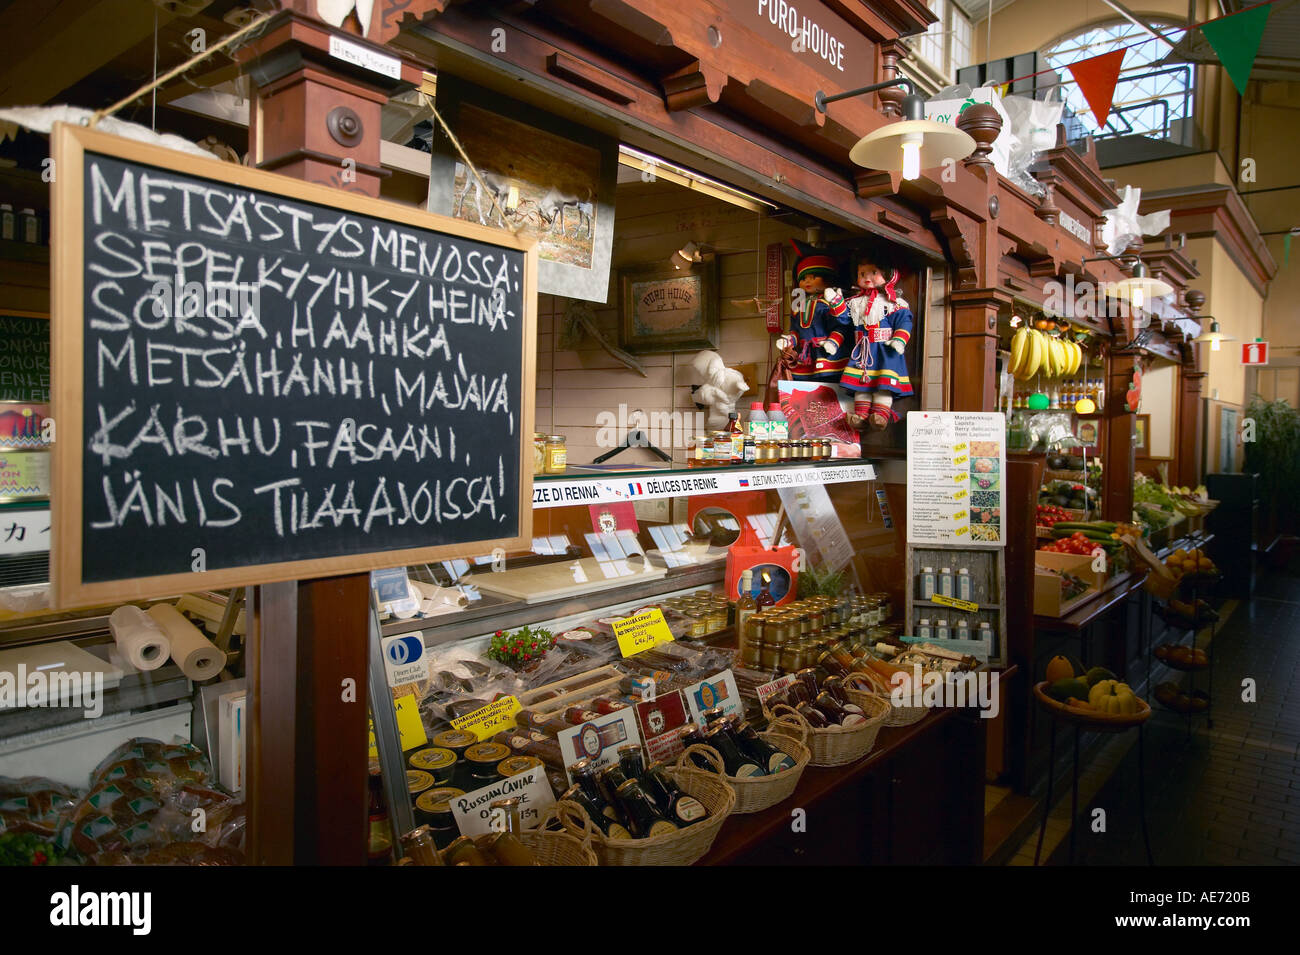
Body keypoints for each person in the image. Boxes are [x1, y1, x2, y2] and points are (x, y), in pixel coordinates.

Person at [839, 250, 913, 430]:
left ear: (888, 275)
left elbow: (904, 321)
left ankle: (880, 415)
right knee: (861, 385)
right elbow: (842, 320)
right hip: (862, 349)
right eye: (862, 273)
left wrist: (899, 340)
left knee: (883, 384)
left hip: (885, 350)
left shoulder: (893, 303)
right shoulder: (854, 302)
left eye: (873, 272)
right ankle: (860, 415)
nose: (867, 278)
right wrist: (836, 304)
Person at [776, 240, 852, 383]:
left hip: (826, 353)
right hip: (805, 356)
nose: (807, 282)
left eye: (814, 277)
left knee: (828, 385)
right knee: (805, 387)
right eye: (803, 278)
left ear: (828, 279)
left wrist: (833, 343)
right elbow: (795, 331)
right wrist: (789, 340)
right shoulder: (799, 305)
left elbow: (841, 326)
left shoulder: (830, 301)